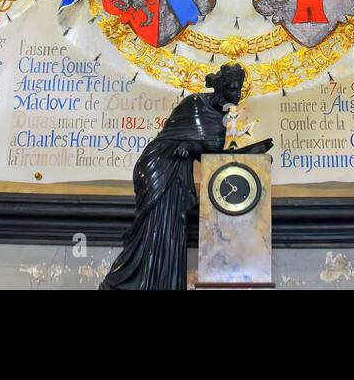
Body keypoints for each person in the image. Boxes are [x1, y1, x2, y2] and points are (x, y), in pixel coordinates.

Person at [100, 63, 271, 290]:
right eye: (232, 89)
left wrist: (251, 152)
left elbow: (211, 156)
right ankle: (125, 282)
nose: (237, 94)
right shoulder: (194, 103)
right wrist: (186, 145)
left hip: (178, 173)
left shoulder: (222, 118)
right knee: (153, 227)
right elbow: (171, 139)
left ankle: (164, 284)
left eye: (239, 88)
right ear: (220, 88)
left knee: (171, 229)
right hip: (159, 166)